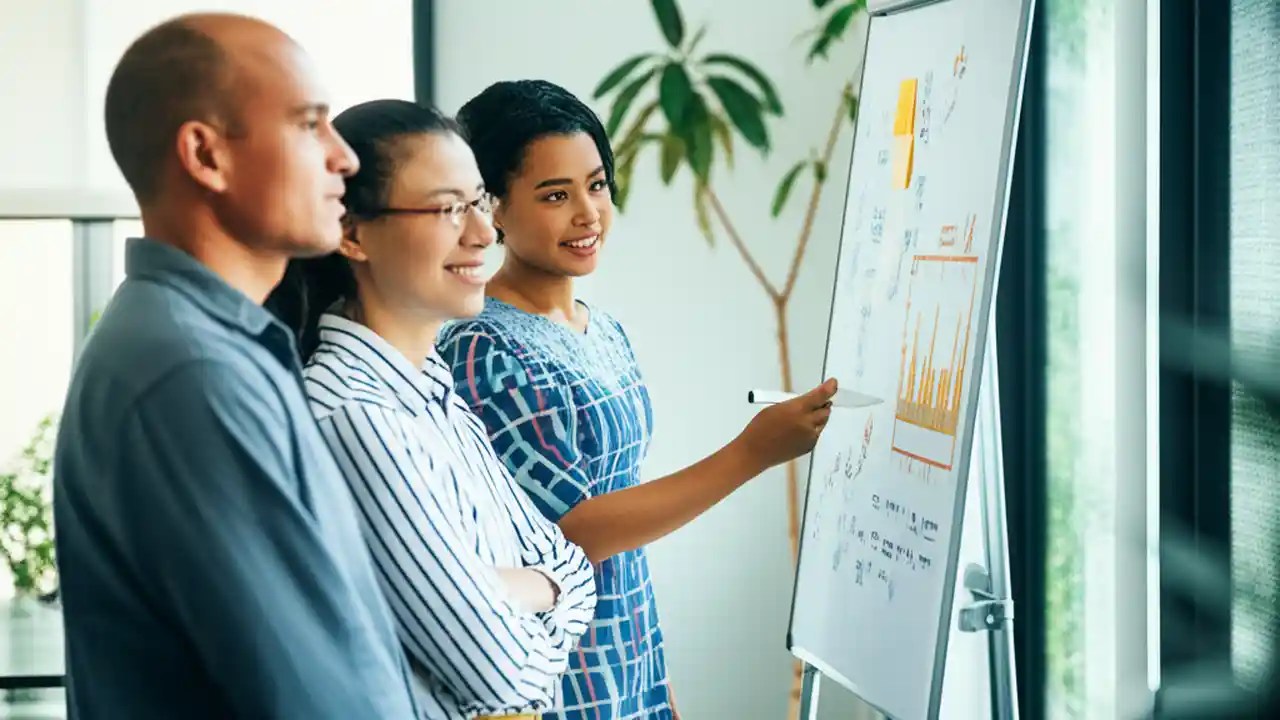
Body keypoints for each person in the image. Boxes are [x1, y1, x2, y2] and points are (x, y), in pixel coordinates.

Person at [52, 14, 421, 719]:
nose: (343, 158)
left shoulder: (206, 347)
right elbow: (314, 694)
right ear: (206, 155)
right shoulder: (192, 373)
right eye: (311, 124)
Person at [438, 79, 838, 720]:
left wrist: (659, 680)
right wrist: (750, 453)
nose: (588, 214)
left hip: (629, 659)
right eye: (555, 195)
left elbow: (628, 532)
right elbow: (571, 533)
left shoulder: (604, 329)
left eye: (596, 185)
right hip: (555, 676)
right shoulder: (484, 350)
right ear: (494, 208)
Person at [264, 98, 597, 720]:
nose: (482, 233)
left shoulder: (431, 388)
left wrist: (515, 589)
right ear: (352, 234)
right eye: (448, 209)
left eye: (478, 202)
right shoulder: (356, 417)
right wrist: (534, 588)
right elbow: (504, 675)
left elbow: (576, 569)